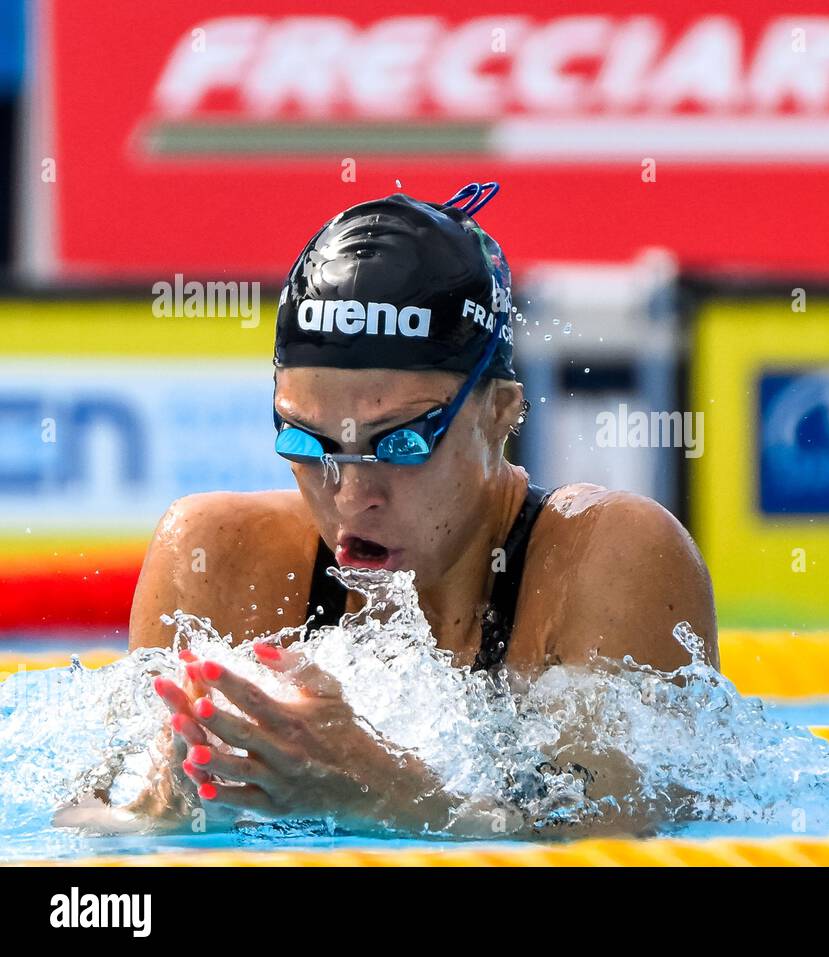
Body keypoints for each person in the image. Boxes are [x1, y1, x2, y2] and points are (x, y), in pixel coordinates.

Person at [64, 183, 717, 836]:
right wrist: (155, 825)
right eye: (308, 441)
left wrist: (383, 791)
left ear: (500, 413)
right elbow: (76, 827)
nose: (352, 495)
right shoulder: (217, 564)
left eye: (401, 443)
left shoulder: (609, 561)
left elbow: (611, 843)